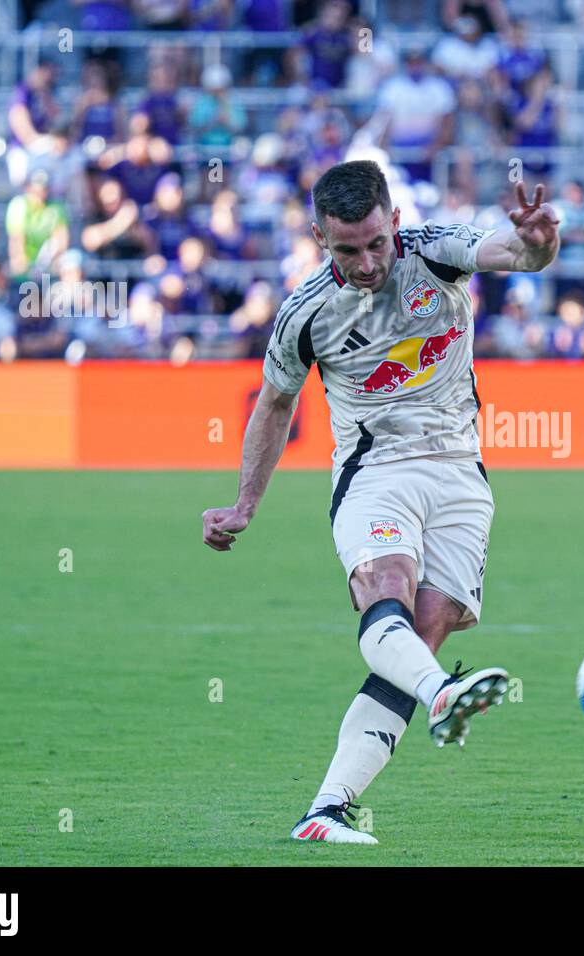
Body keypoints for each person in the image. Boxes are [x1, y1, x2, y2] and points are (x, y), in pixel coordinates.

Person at [200, 160, 560, 845]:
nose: (366, 262)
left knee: (419, 637)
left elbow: (517, 253)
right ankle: (441, 695)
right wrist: (246, 503)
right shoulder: (306, 312)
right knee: (385, 588)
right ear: (318, 237)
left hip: (460, 476)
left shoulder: (436, 251)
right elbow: (276, 404)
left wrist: (540, 241)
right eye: (346, 250)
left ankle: (326, 810)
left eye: (375, 243)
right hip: (376, 472)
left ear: (394, 222)